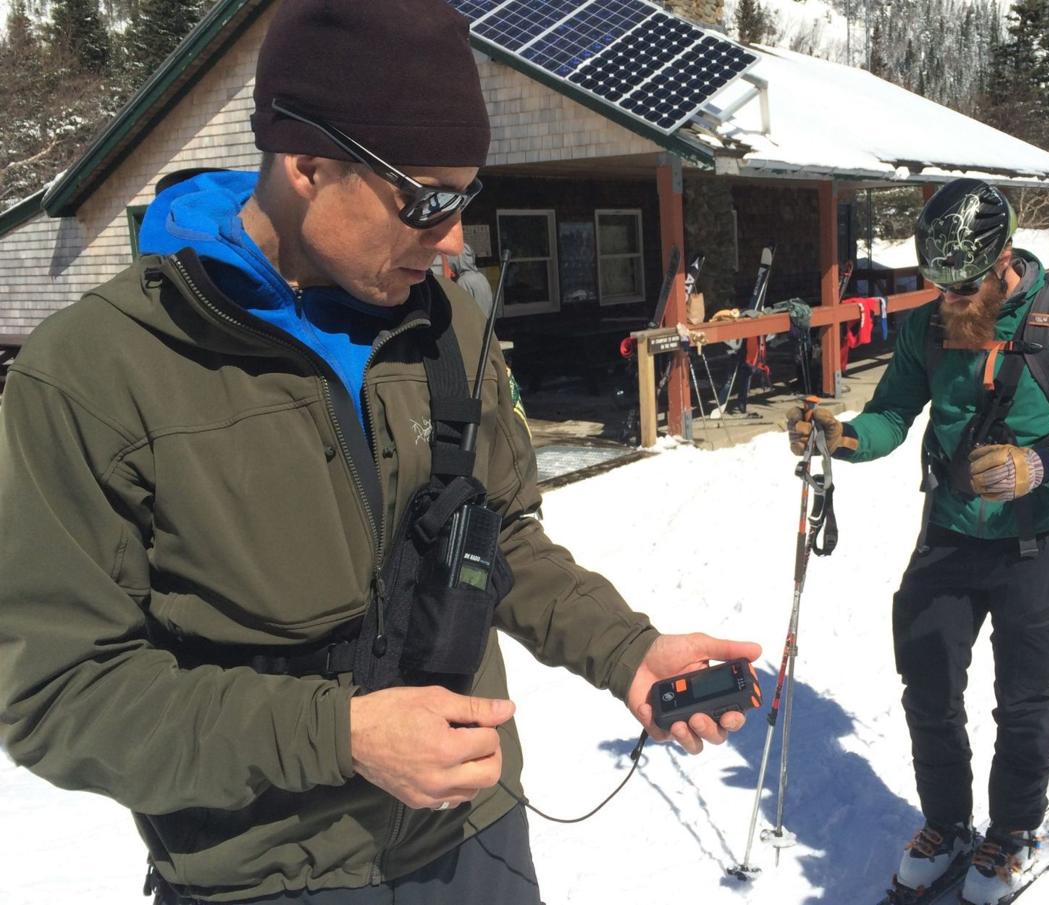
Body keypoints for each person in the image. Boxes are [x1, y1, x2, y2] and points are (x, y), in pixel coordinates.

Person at [0, 3, 760, 903]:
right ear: (306, 162)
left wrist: (626, 650)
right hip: (265, 873)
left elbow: (499, 539)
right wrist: (341, 735)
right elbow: (62, 691)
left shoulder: (446, 326)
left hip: (475, 838)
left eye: (465, 196)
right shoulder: (97, 372)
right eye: (426, 199)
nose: (453, 240)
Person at [787, 179, 1049, 905]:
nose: (950, 297)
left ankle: (1010, 828)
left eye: (964, 283)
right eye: (936, 283)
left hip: (1035, 541)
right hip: (949, 531)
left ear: (1002, 256)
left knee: (1025, 692)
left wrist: (1042, 465)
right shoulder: (929, 324)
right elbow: (889, 415)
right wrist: (843, 434)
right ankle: (946, 822)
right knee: (928, 678)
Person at [447, 242, 495, 318]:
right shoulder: (481, 277)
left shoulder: (463, 281)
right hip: (485, 325)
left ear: (457, 260)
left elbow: (463, 311)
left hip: (473, 327)